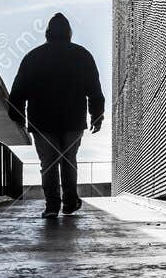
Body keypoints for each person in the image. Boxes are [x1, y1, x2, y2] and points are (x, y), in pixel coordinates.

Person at [7, 13, 104, 217]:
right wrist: (97, 115)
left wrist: (18, 116)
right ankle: (69, 202)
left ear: (47, 33)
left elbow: (18, 90)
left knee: (48, 163)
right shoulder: (82, 55)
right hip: (73, 120)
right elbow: (94, 88)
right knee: (69, 160)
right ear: (69, 32)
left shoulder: (33, 57)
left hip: (41, 121)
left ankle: (52, 206)